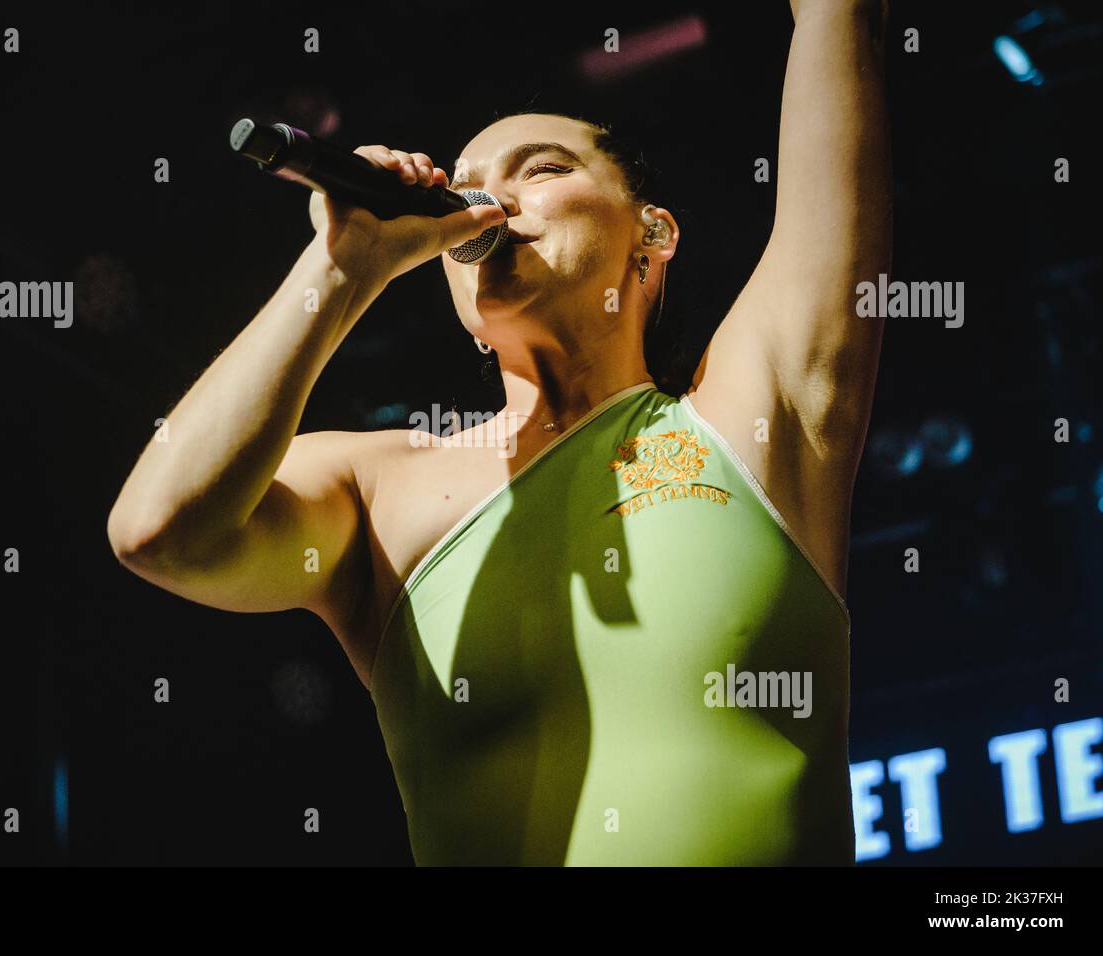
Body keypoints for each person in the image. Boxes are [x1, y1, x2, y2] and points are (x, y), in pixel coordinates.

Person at [107, 0, 891, 865]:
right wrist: (338, 270)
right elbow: (160, 531)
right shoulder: (373, 486)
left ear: (653, 233)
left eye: (541, 169)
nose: (485, 199)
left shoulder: (755, 414)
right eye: (467, 181)